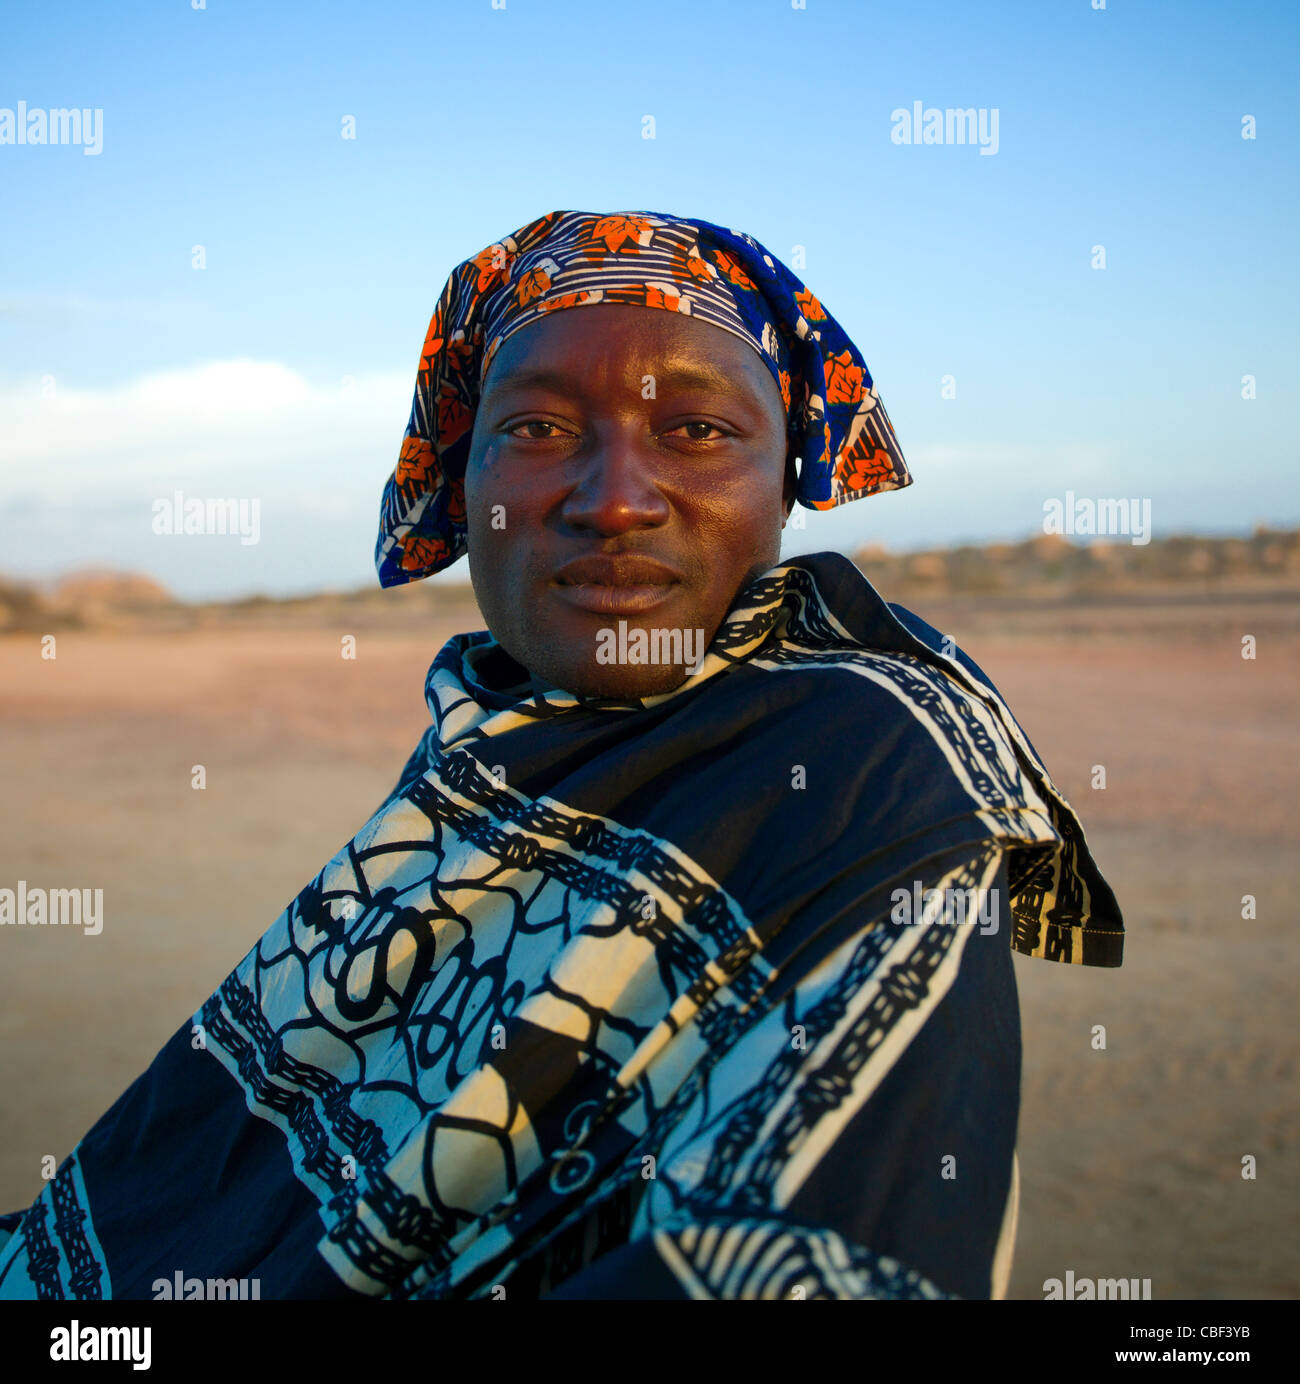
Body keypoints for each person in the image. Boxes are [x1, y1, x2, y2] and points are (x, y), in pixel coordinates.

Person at [0, 209, 1123, 1301]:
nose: (616, 501)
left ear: (785, 478)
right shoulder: (490, 741)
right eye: (536, 429)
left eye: (695, 429)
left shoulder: (863, 770)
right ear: (463, 479)